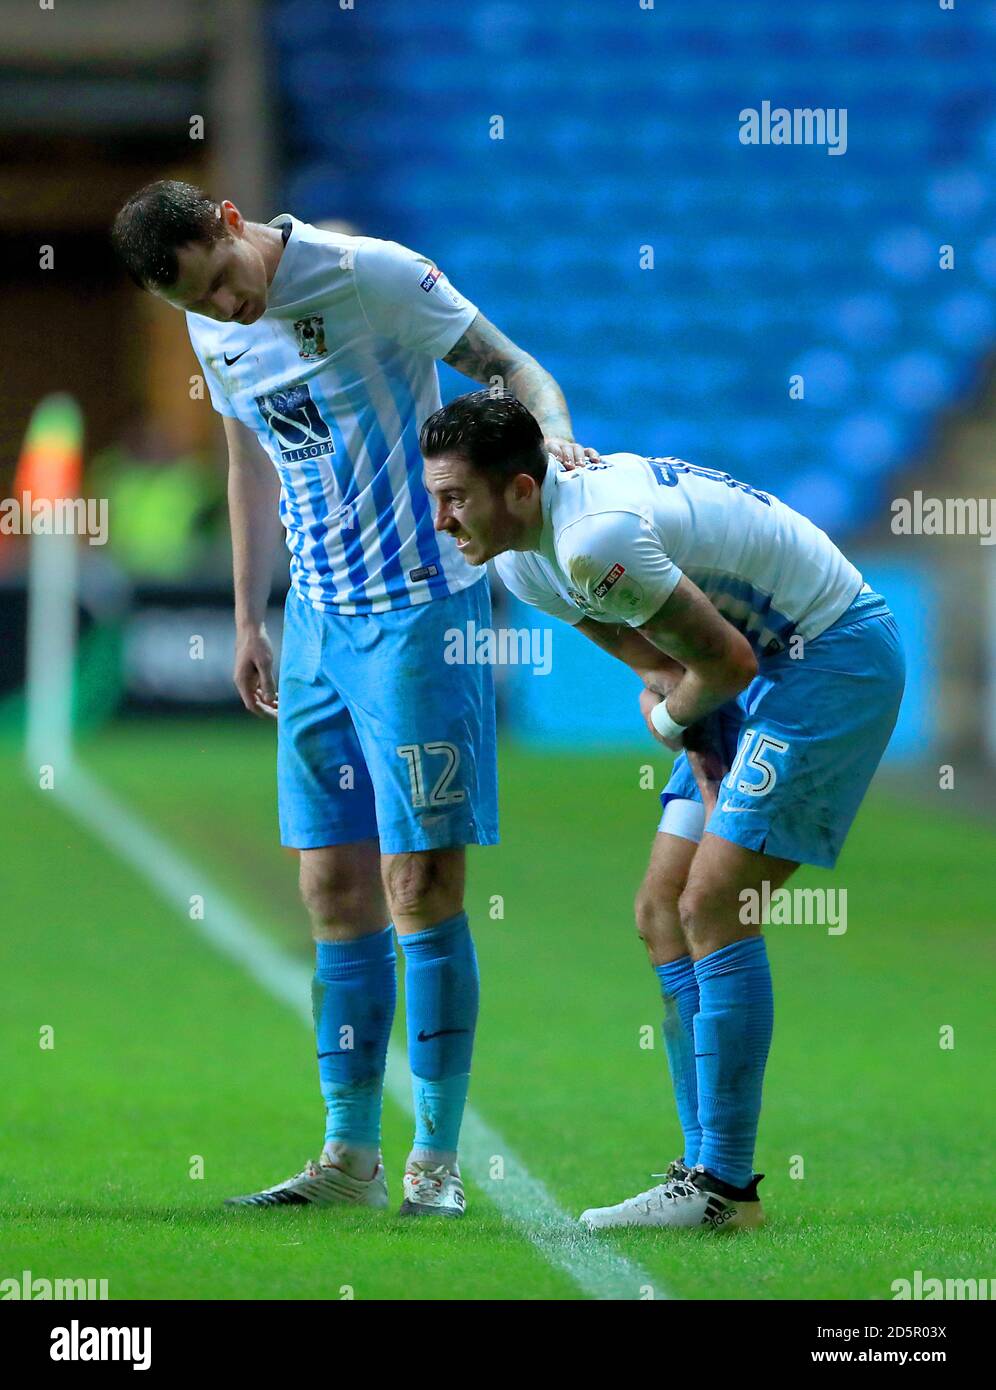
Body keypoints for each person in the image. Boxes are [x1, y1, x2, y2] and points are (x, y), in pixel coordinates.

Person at [111, 182, 595, 1218]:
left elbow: (508, 364)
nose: (228, 312)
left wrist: (551, 437)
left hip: (422, 613)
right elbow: (250, 456)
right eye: (199, 304)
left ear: (233, 221)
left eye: (225, 285)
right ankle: (347, 1154)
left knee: (418, 879)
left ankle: (436, 1158)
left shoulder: (370, 274)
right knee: (332, 889)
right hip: (317, 629)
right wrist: (251, 615)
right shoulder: (210, 322)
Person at [420, 388, 905, 1231]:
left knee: (713, 903)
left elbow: (724, 662)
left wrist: (671, 722)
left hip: (831, 652)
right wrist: (691, 731)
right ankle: (702, 1177)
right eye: (434, 497)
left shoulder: (592, 538)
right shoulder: (518, 560)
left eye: (455, 497)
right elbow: (655, 657)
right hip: (756, 667)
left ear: (521, 492)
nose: (441, 519)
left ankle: (724, 1187)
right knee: (661, 912)